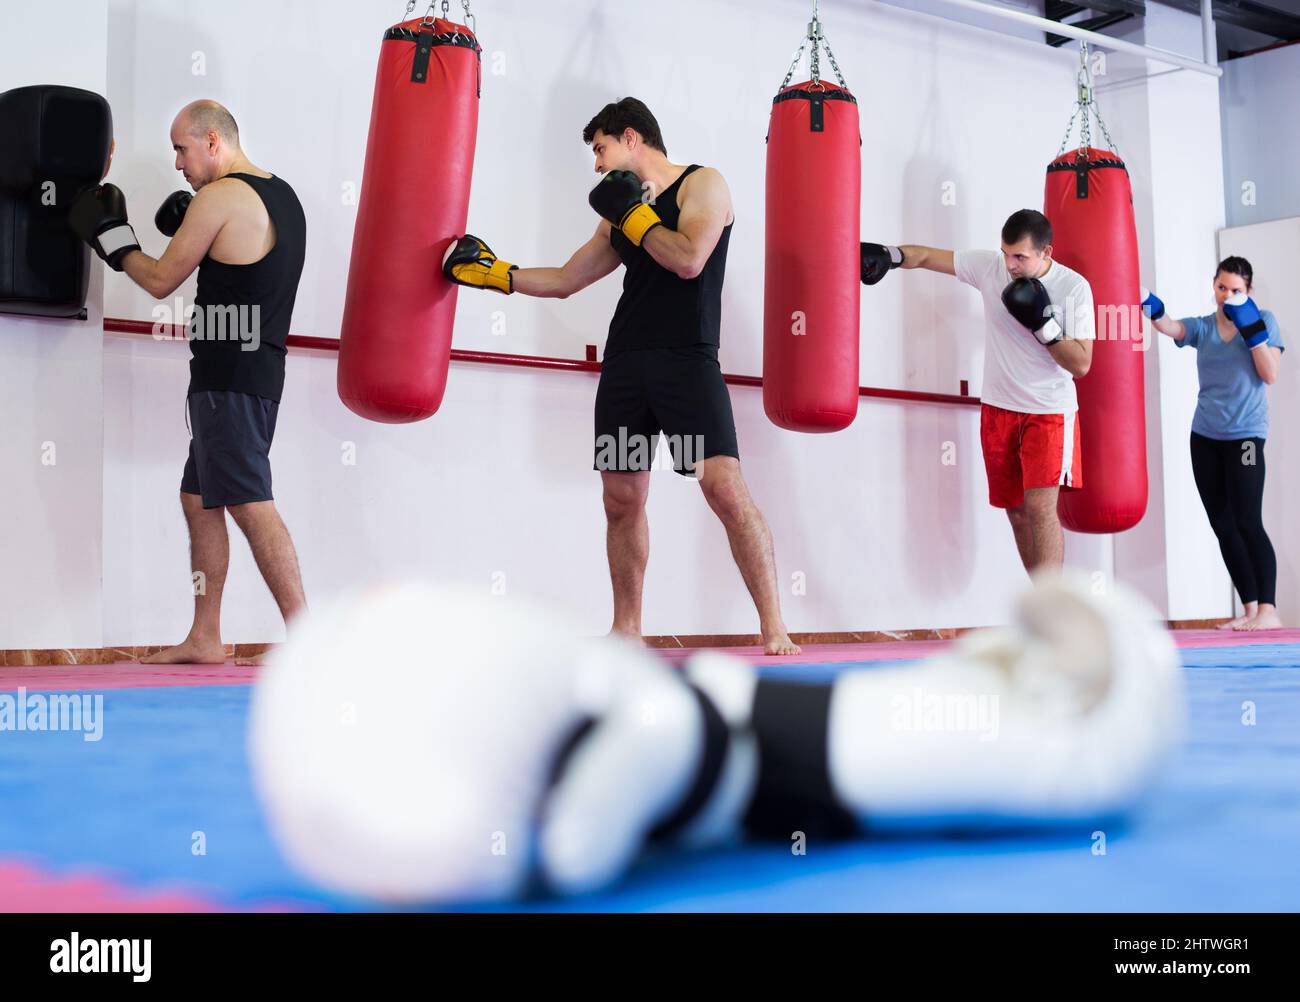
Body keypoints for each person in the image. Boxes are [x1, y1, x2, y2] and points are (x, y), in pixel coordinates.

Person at [249, 570, 1183, 905]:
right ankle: (1036, 677)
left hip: (764, 743)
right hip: (739, 732)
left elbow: (590, 834)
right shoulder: (590, 712)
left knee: (1070, 760)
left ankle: (1053, 681)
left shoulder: (622, 725)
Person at [443, 97, 799, 655]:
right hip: (627, 365)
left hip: (687, 364)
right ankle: (627, 629)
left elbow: (688, 260)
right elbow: (565, 279)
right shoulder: (619, 210)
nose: (597, 164)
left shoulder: (704, 185)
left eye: (600, 149)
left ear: (631, 138)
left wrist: (635, 216)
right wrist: (496, 275)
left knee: (724, 490)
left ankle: (775, 626)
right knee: (621, 500)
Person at [69, 100, 308, 663]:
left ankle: (308, 643)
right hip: (253, 371)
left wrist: (112, 237)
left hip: (228, 379)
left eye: (181, 149)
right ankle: (205, 634)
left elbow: (157, 280)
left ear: (211, 143)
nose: (178, 164)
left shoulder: (220, 197)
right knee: (198, 497)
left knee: (250, 501)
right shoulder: (284, 196)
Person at [860, 210, 1096, 573]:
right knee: (1016, 512)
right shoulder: (990, 268)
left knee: (1039, 509)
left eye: (1020, 257)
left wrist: (1044, 326)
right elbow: (927, 256)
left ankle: (1055, 617)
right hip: (998, 410)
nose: (1010, 265)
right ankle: (1041, 608)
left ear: (1046, 252)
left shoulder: (1074, 287)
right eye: (1005, 253)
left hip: (1049, 413)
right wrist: (891, 256)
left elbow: (1081, 363)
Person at [1141, 257, 1285, 630]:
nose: (1227, 295)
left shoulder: (1263, 321)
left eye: (1236, 290)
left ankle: (1269, 609)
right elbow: (1172, 328)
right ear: (1214, 287)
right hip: (1205, 436)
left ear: (1248, 292)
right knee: (1222, 523)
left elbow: (1269, 374)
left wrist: (1250, 330)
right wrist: (1147, 302)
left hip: (1246, 436)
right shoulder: (1204, 327)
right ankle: (1250, 608)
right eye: (1222, 287)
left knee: (1248, 520)